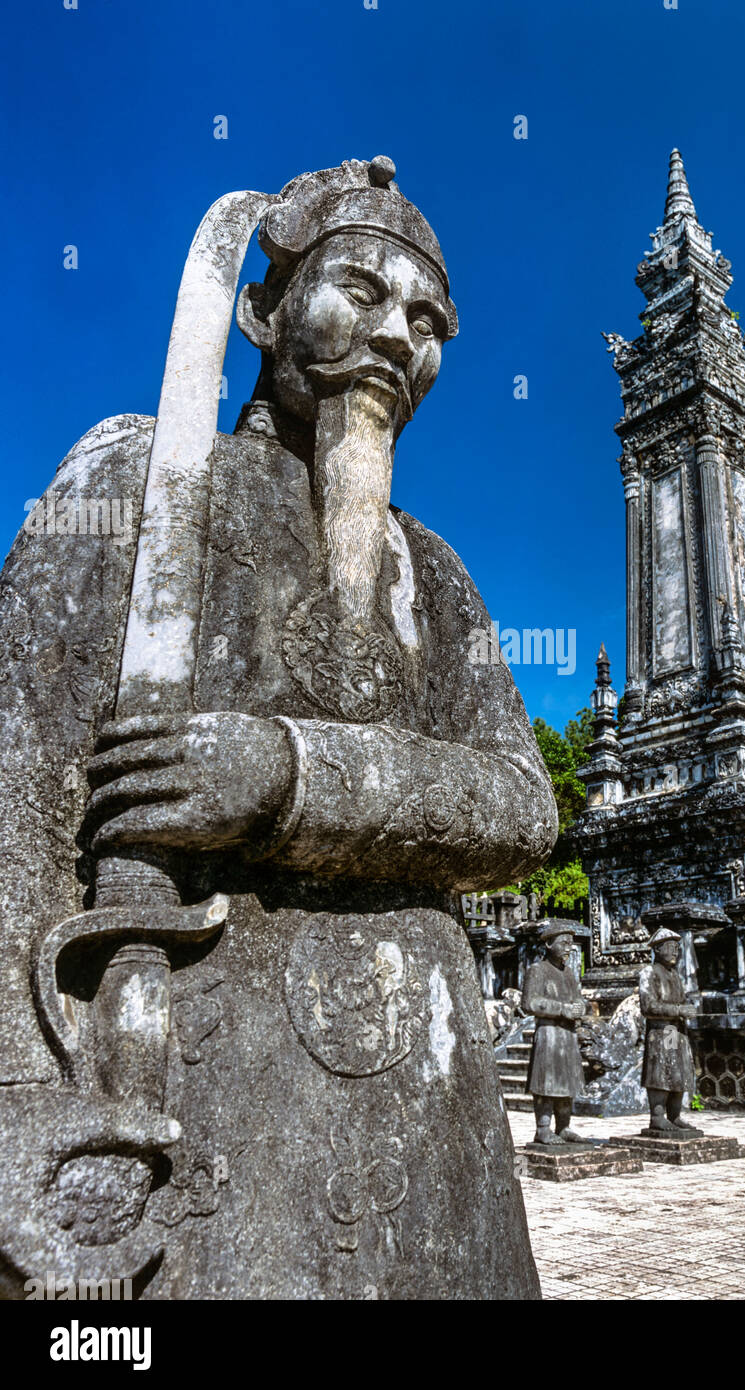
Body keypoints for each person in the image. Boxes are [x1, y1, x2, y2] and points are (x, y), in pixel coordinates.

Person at [0, 157, 556, 1299]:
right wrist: (20, 1098)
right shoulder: (138, 487)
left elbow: (522, 805)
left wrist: (289, 775)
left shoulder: (433, 573)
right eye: (362, 290)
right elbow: (17, 801)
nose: (399, 336)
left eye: (429, 321)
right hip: (198, 1102)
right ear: (261, 311)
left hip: (437, 1127)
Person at [522, 924, 587, 1144]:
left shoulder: (568, 973)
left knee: (567, 1081)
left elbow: (578, 998)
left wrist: (579, 1008)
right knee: (546, 1082)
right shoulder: (537, 970)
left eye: (571, 944)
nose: (569, 948)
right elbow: (529, 1002)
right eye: (564, 943)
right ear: (549, 944)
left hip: (567, 1034)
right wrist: (561, 1009)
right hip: (549, 1034)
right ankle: (543, 1128)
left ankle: (563, 1126)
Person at [640, 927, 699, 1132]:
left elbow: (681, 1000)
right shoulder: (649, 973)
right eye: (670, 947)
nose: (675, 951)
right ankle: (657, 1116)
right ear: (657, 949)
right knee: (660, 1072)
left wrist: (686, 1009)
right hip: (661, 1030)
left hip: (675, 1030)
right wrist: (678, 1010)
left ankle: (675, 1116)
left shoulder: (674, 975)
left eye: (676, 947)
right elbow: (648, 1006)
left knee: (676, 1070)